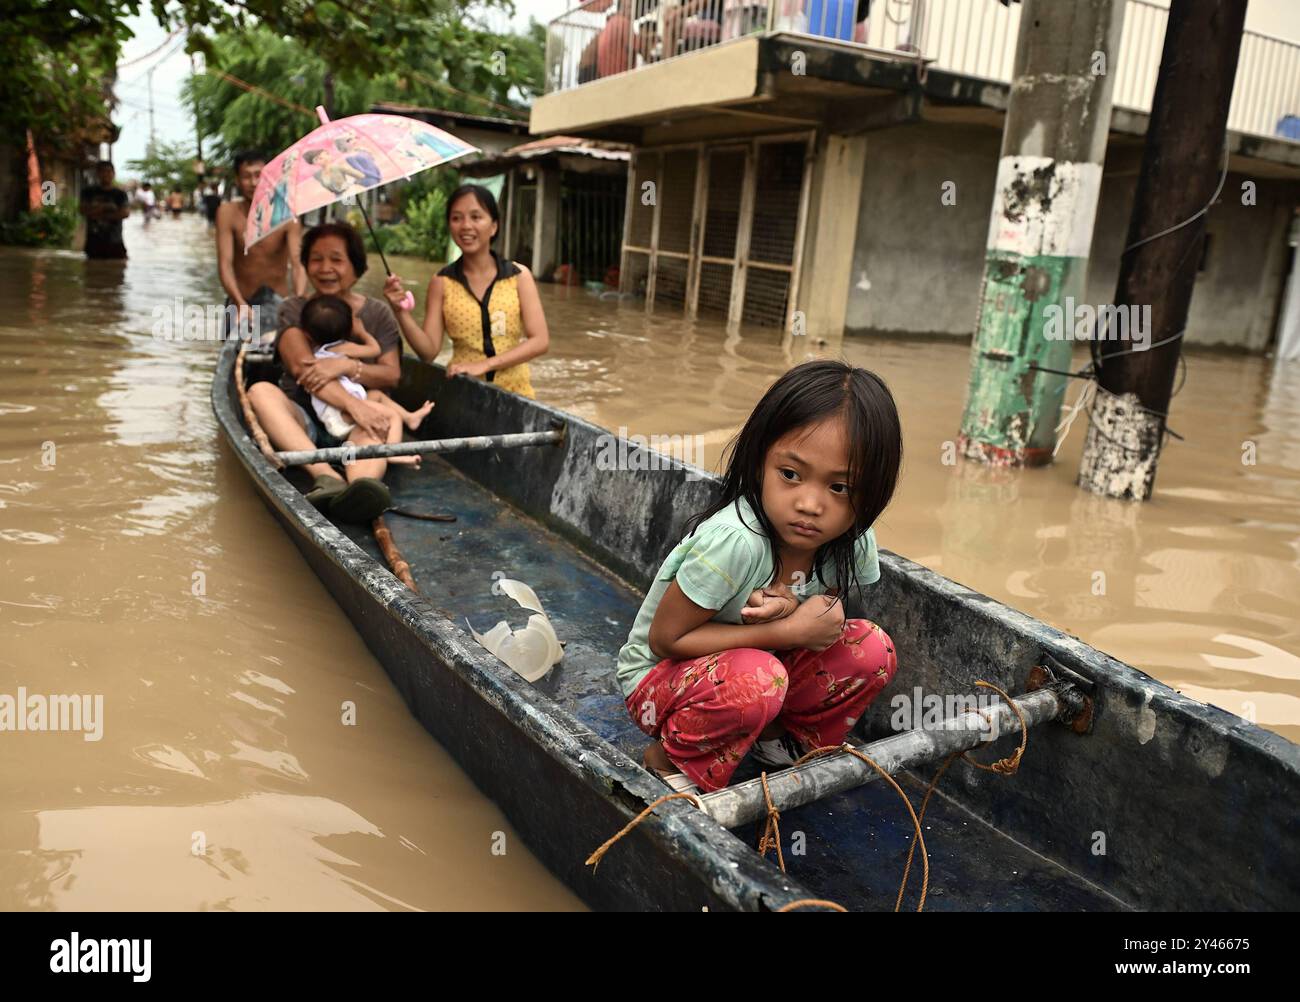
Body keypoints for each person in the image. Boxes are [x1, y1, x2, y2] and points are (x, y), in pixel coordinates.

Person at [615, 360, 903, 794]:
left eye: (839, 488)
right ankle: (670, 759)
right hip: (663, 684)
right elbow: (665, 640)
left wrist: (797, 607)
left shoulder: (852, 537)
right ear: (759, 462)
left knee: (871, 649)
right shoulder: (735, 541)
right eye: (790, 475)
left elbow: (825, 601)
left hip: (760, 672)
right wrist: (786, 630)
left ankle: (779, 743)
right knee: (759, 677)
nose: (810, 504)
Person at [246, 222, 403, 522]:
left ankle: (358, 490)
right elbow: (305, 370)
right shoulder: (294, 309)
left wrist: (348, 366)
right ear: (305, 265)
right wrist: (355, 405)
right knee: (260, 391)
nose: (325, 268)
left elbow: (391, 374)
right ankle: (326, 476)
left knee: (372, 427)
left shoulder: (377, 313)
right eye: (316, 259)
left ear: (355, 267)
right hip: (302, 422)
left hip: (356, 426)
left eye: (336, 259)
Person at [383, 184, 549, 399]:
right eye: (456, 218)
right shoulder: (442, 282)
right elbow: (428, 351)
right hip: (464, 394)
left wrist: (485, 365)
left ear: (494, 226)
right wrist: (400, 312)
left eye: (476, 217)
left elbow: (540, 341)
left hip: (517, 395)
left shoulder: (518, 276)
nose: (466, 226)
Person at [297, 292, 432, 452]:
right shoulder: (345, 347)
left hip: (331, 416)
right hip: (341, 415)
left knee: (377, 395)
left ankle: (409, 418)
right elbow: (375, 350)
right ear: (349, 328)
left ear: (306, 334)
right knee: (392, 416)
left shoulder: (314, 352)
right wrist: (362, 333)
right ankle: (393, 452)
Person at [216, 151, 308, 337]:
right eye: (246, 176)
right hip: (239, 301)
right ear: (237, 179)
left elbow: (298, 265)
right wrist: (240, 303)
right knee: (232, 358)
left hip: (277, 304)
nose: (253, 182)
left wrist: (298, 302)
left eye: (259, 175)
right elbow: (224, 264)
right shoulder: (227, 213)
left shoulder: (287, 215)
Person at [79, 161, 130, 260]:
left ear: (114, 173)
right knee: (92, 271)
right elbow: (82, 210)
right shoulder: (88, 192)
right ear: (97, 174)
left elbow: (125, 213)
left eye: (109, 171)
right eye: (102, 172)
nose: (106, 175)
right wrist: (108, 210)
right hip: (93, 242)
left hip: (115, 242)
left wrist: (98, 212)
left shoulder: (120, 194)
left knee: (117, 271)